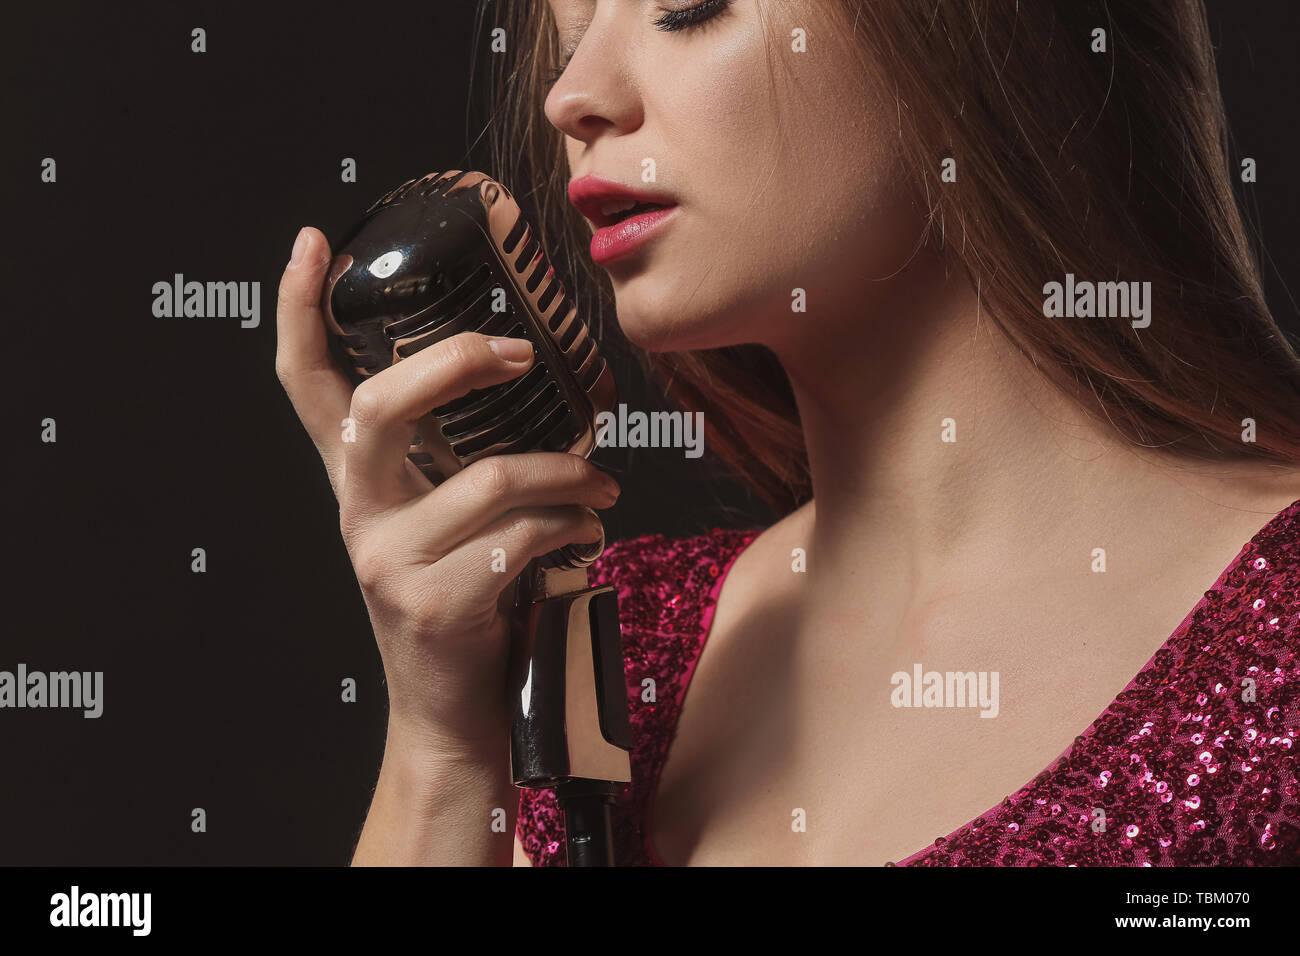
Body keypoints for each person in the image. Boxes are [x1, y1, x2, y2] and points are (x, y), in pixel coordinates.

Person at [276, 0, 1300, 865]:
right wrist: (446, 745)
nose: (571, 94)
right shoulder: (614, 654)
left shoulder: (1275, 645)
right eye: (568, 30)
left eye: (686, 5)